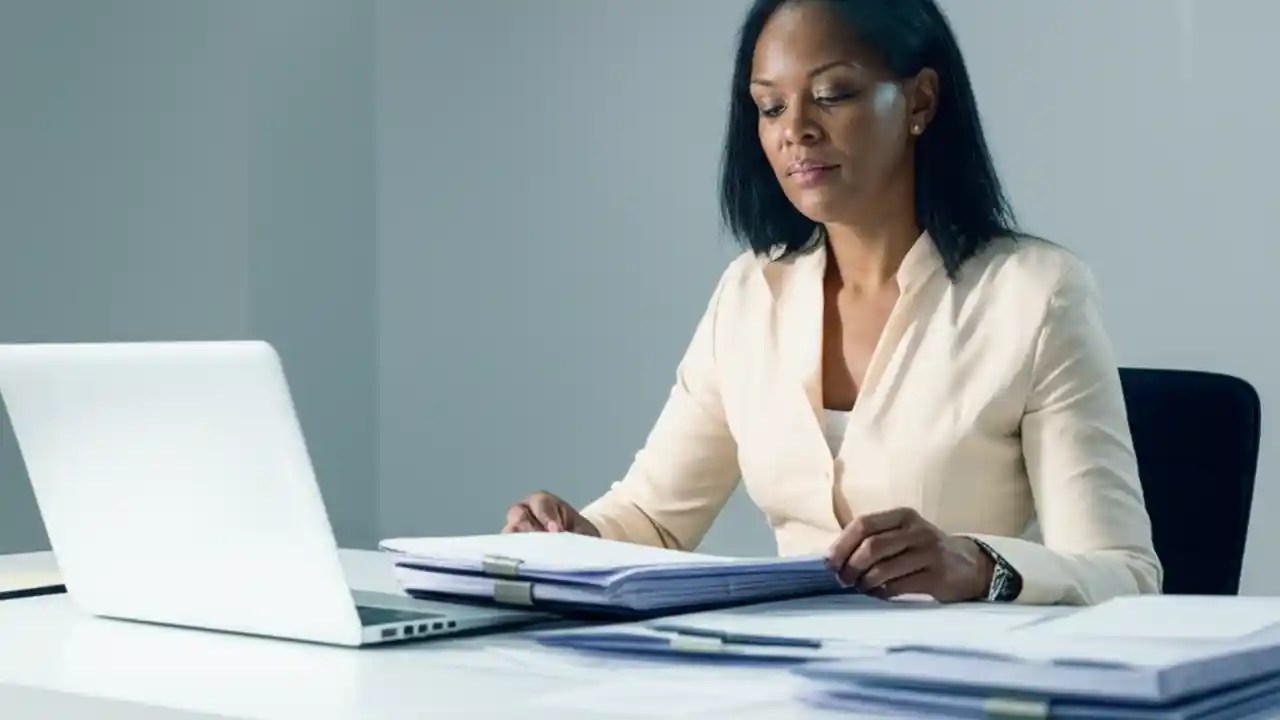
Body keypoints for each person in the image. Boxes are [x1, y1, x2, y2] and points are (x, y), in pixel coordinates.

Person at [502, 0, 1162, 606]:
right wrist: (567, 534)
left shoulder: (1035, 295)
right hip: (786, 677)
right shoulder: (749, 293)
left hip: (954, 682)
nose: (797, 131)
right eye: (770, 107)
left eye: (832, 94)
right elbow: (652, 520)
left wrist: (975, 565)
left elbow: (1124, 572)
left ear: (920, 102)